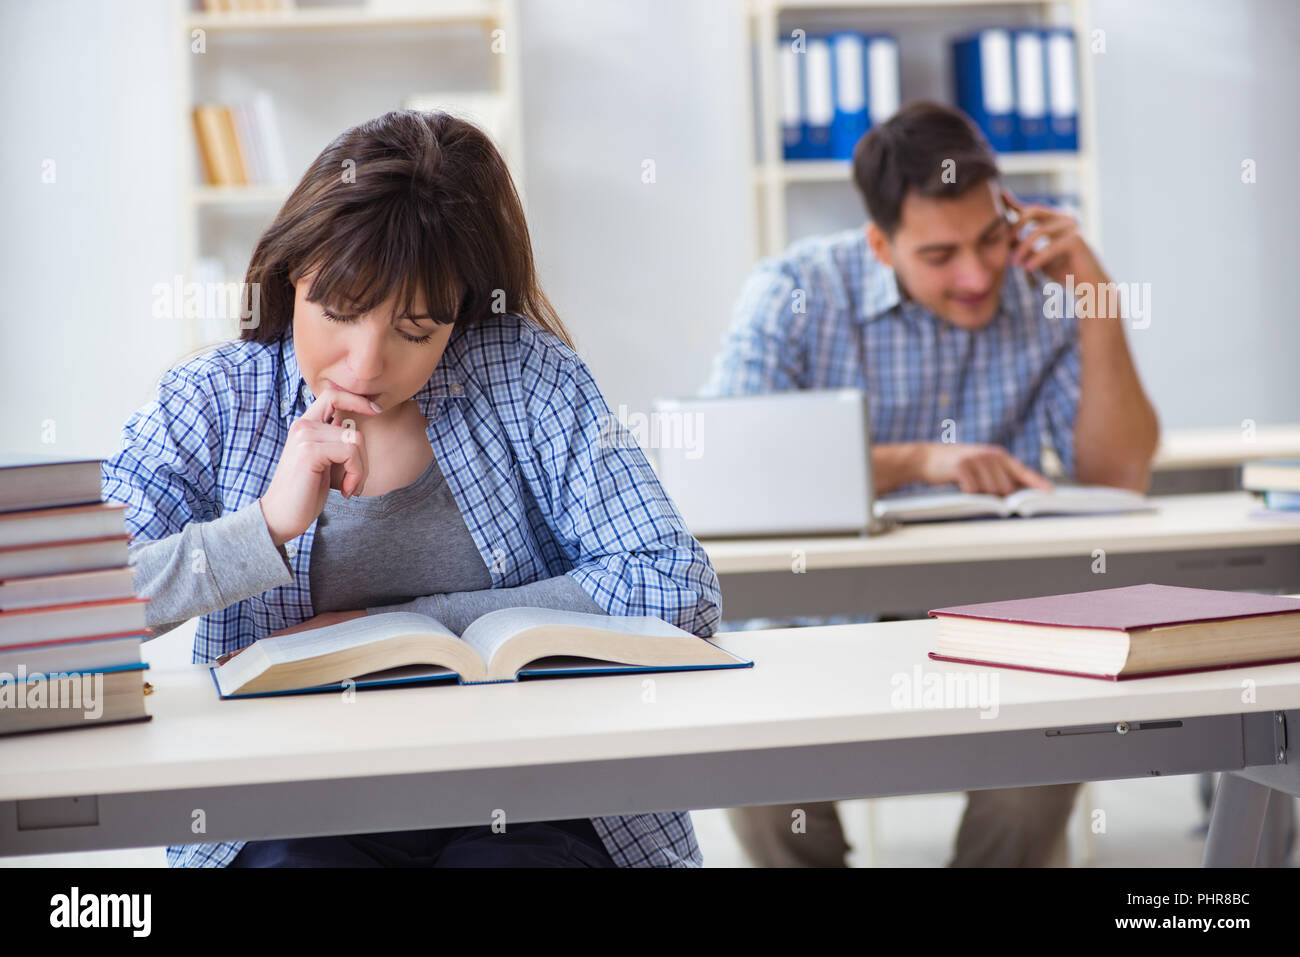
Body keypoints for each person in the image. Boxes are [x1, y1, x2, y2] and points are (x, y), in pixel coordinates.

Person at [102, 109, 721, 868]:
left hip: (528, 790)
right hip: (294, 798)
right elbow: (83, 606)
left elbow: (675, 580)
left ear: (458, 312)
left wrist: (402, 625)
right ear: (292, 271)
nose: (366, 365)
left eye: (416, 330)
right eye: (339, 310)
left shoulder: (523, 373)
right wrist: (263, 527)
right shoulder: (213, 399)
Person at [702, 100, 1160, 867]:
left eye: (990, 238)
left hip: (988, 619)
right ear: (881, 243)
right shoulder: (793, 289)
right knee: (757, 778)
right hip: (819, 621)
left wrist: (1095, 295)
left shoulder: (1042, 292)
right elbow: (732, 464)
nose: (978, 276)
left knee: (1044, 767)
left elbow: (1117, 474)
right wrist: (920, 461)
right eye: (941, 255)